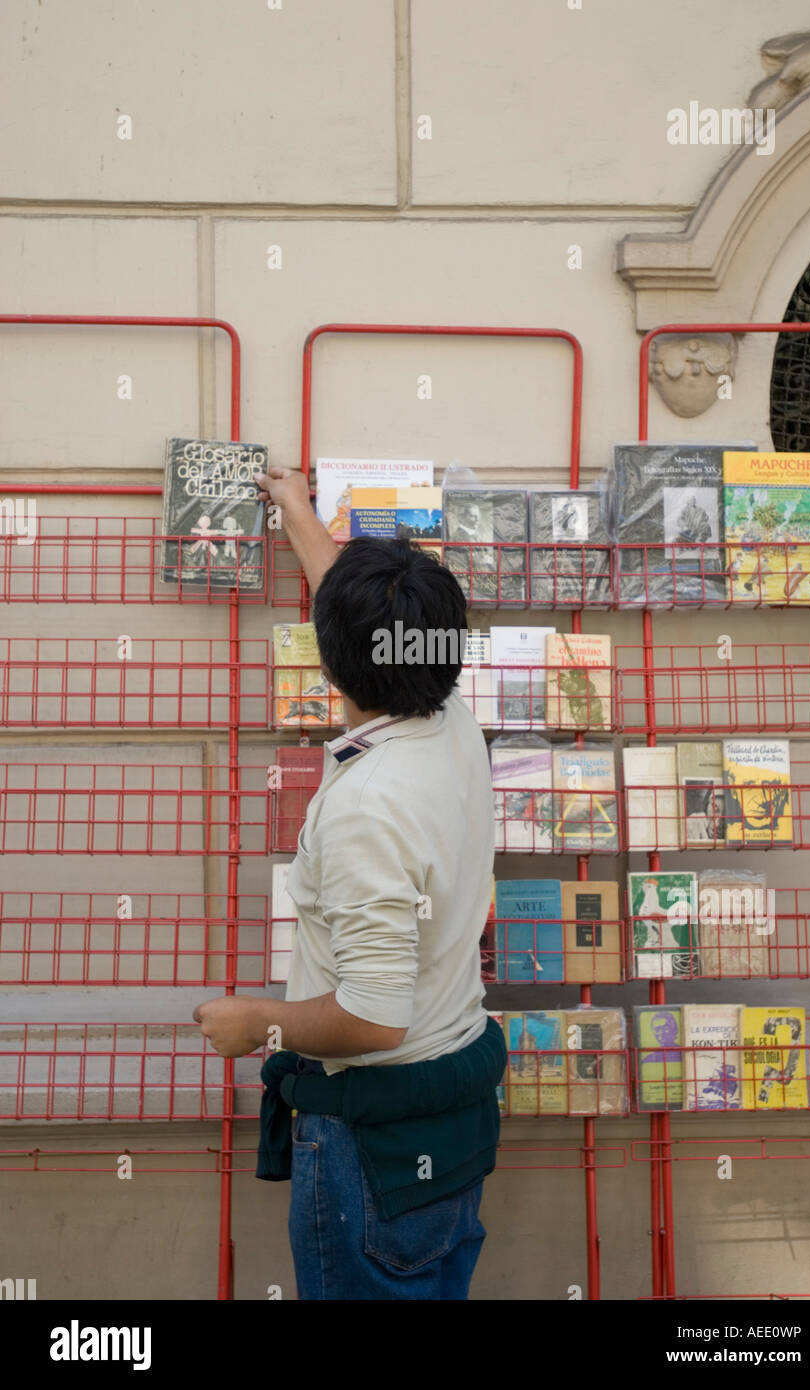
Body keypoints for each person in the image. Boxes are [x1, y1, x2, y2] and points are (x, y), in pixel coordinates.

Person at [194, 464, 504, 1301]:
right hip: (454, 1102)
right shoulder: (452, 718)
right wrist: (296, 511)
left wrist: (257, 1020)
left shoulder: (369, 806)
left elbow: (370, 1019)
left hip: (375, 1137)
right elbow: (370, 625)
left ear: (330, 662)